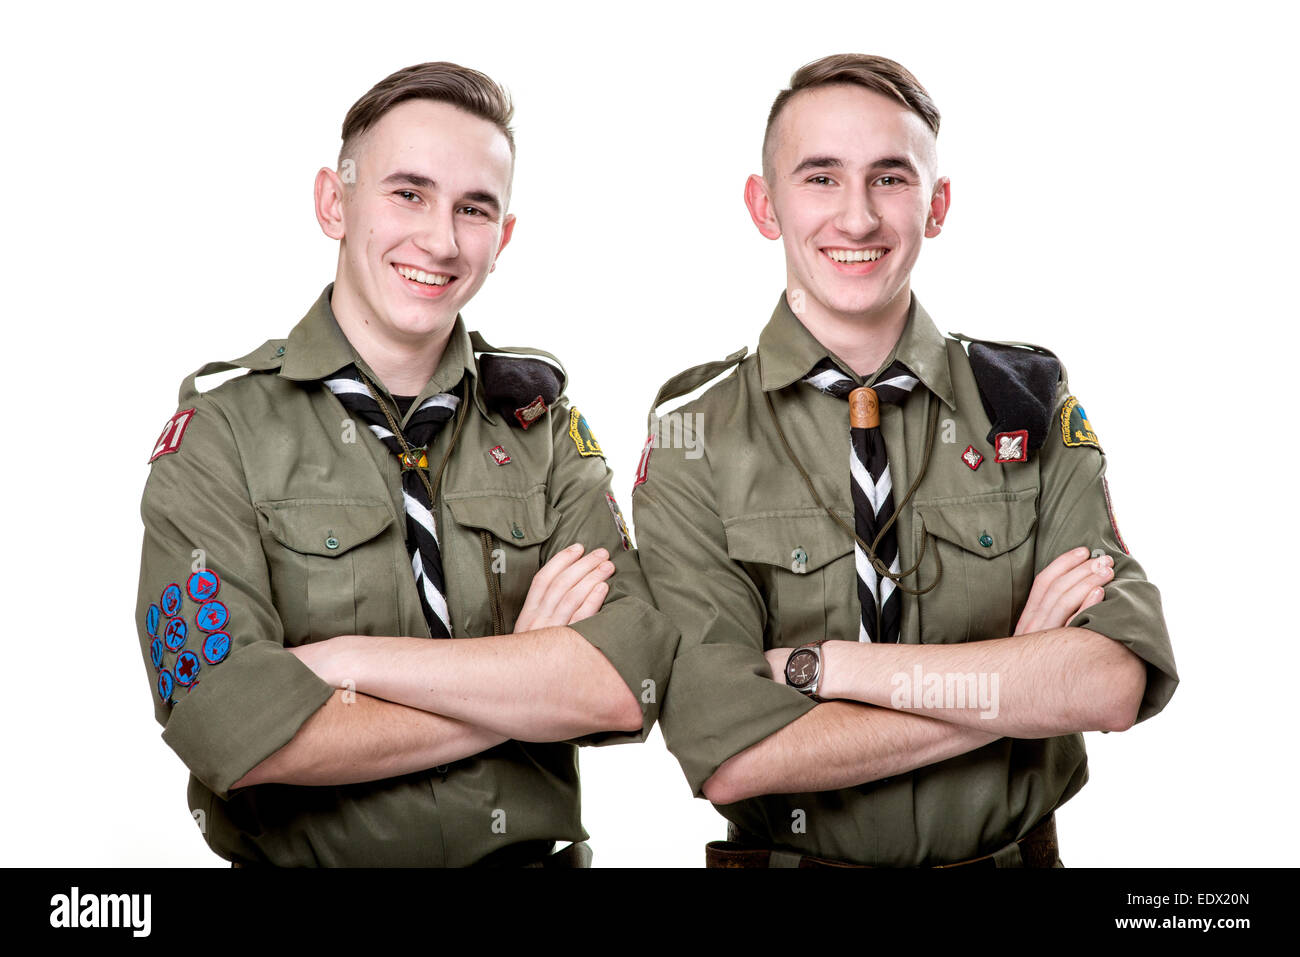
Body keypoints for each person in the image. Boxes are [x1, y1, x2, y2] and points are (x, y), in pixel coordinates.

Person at [632, 53, 1178, 868]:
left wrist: (834, 670)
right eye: (820, 178)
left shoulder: (1027, 402)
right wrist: (1013, 683)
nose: (856, 219)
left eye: (890, 178)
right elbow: (733, 754)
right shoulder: (693, 434)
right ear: (764, 205)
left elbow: (1109, 684)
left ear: (938, 203)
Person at [134, 61, 677, 867]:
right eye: (408, 193)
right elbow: (232, 728)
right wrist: (522, 680)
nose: (440, 239)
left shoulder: (543, 426)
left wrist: (351, 662)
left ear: (505, 237)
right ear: (334, 201)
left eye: (474, 209)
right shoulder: (221, 433)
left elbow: (626, 680)